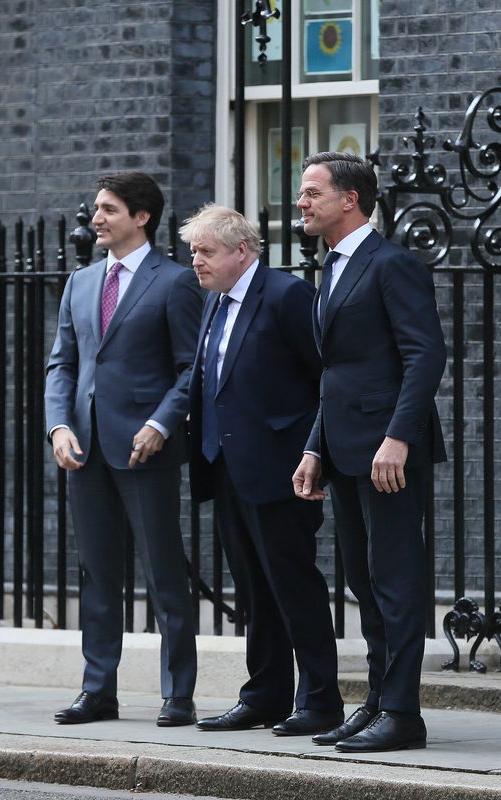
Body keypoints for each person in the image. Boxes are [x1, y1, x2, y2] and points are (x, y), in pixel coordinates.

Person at [291, 152, 446, 753]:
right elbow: (338, 371)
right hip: (346, 446)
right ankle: (379, 700)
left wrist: (398, 438)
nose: (301, 202)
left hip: (389, 453)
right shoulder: (330, 268)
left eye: (311, 192)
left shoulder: (393, 264)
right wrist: (314, 447)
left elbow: (425, 355)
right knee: (362, 579)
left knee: (396, 580)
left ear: (348, 199)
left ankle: (404, 713)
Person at [44, 171, 202, 727]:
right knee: (97, 573)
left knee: (163, 574)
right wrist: (58, 426)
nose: (97, 217)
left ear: (141, 217)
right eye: (97, 208)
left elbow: (191, 368)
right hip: (84, 448)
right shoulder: (80, 282)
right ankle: (97, 690)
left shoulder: (175, 282)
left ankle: (178, 693)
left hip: (144, 451)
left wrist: (161, 423)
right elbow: (62, 363)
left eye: (108, 209)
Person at [182, 204, 344, 737]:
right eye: (193, 252)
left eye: (206, 251)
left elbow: (325, 378)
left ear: (242, 251)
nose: (196, 262)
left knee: (292, 584)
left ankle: (319, 700)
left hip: (281, 468)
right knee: (253, 589)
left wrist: (314, 453)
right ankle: (265, 695)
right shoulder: (215, 301)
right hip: (226, 464)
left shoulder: (285, 294)